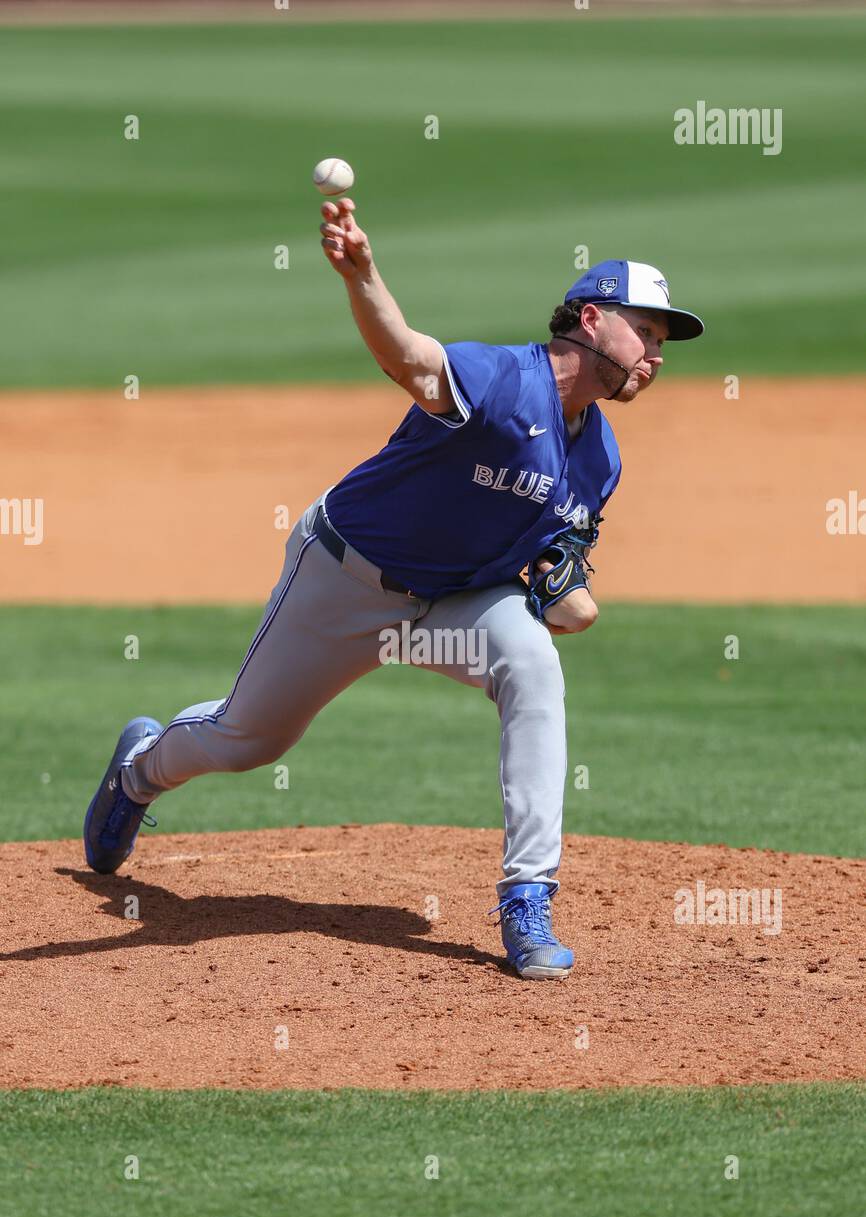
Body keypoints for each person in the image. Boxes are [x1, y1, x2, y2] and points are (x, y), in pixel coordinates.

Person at [83, 198, 703, 981]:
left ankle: (528, 897)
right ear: (589, 319)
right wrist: (363, 276)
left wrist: (563, 588)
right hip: (345, 577)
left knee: (534, 665)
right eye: (645, 333)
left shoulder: (600, 459)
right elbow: (409, 357)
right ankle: (138, 769)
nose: (656, 353)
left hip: (450, 605)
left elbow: (567, 588)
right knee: (250, 740)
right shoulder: (503, 379)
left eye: (661, 342)